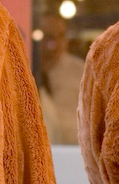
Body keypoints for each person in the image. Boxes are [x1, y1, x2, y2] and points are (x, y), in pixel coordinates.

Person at [37, 14, 85, 145]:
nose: (54, 43)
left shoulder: (80, 71)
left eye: (61, 36)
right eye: (48, 36)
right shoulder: (26, 69)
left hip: (71, 149)